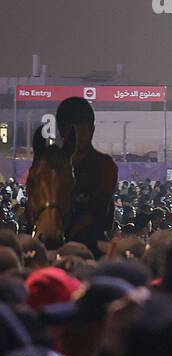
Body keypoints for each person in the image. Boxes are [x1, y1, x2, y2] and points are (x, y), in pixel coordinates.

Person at [55, 96, 117, 252]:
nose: (79, 136)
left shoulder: (105, 165)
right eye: (73, 130)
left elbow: (99, 209)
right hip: (53, 237)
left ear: (92, 129)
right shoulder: (51, 165)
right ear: (62, 132)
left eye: (83, 129)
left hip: (91, 240)